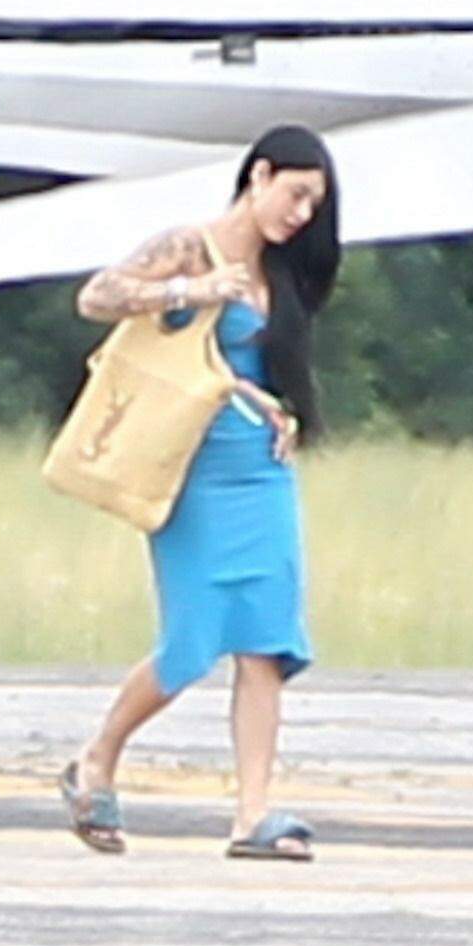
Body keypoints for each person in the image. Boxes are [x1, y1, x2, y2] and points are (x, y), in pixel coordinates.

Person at [61, 125, 340, 861]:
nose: (301, 214)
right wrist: (191, 289)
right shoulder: (195, 246)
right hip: (190, 469)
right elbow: (98, 296)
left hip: (261, 472)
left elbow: (256, 365)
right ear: (260, 176)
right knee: (192, 642)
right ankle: (98, 758)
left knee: (267, 642)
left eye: (315, 203)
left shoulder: (280, 274)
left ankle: (253, 813)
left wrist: (283, 409)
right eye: (295, 194)